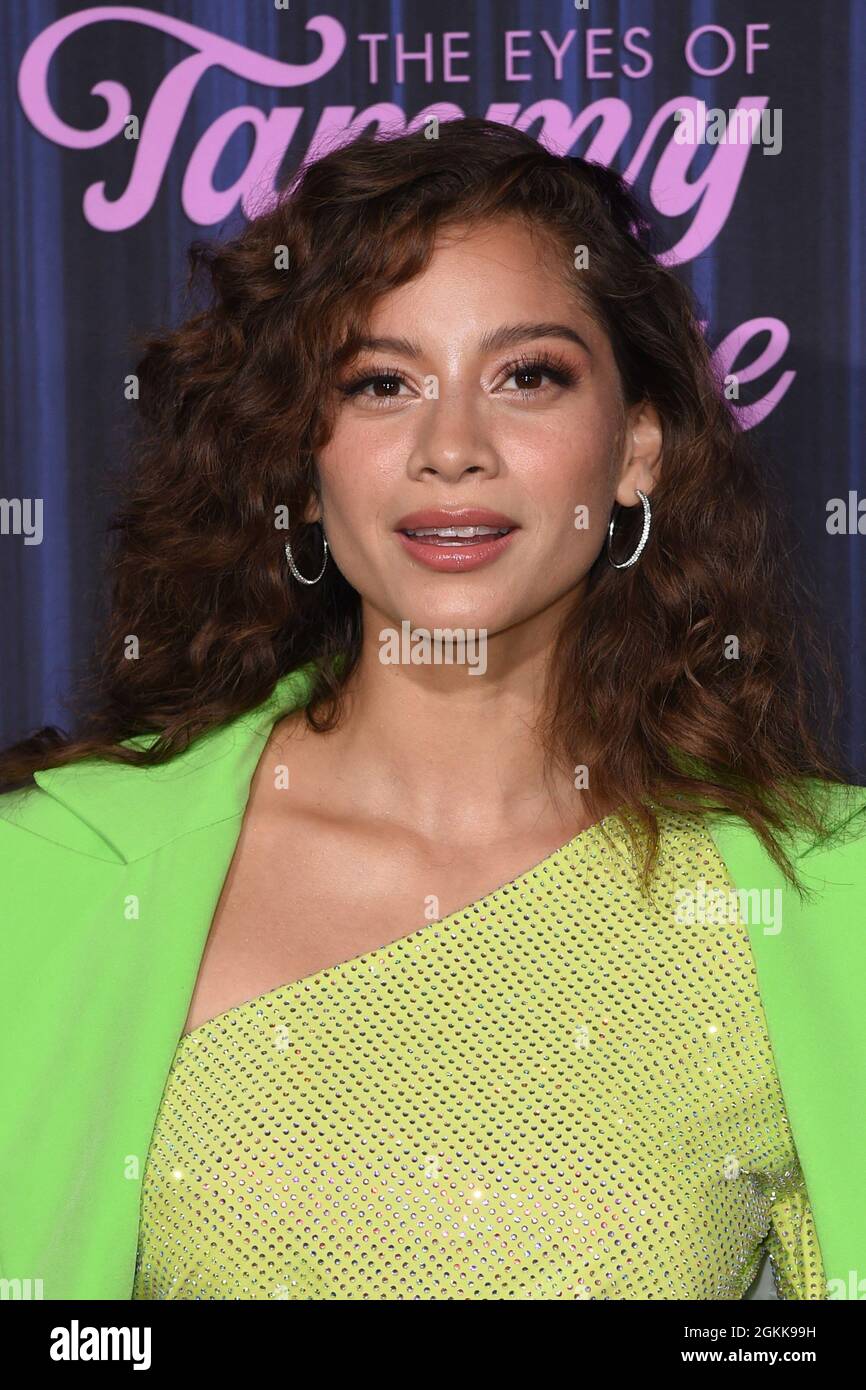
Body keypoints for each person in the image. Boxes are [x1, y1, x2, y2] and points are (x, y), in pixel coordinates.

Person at [1, 117, 865, 1302]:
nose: (449, 447)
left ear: (637, 449)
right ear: (296, 461)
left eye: (527, 376)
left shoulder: (819, 898)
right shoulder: (57, 872)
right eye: (379, 382)